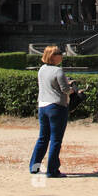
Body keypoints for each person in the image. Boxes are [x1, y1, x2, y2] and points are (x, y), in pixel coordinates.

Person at [30, 45, 74, 177]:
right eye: (59, 53)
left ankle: (34, 166)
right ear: (53, 56)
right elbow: (65, 90)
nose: (62, 55)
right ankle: (52, 170)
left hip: (42, 106)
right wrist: (73, 89)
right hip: (56, 107)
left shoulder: (41, 70)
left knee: (43, 138)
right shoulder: (58, 71)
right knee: (56, 139)